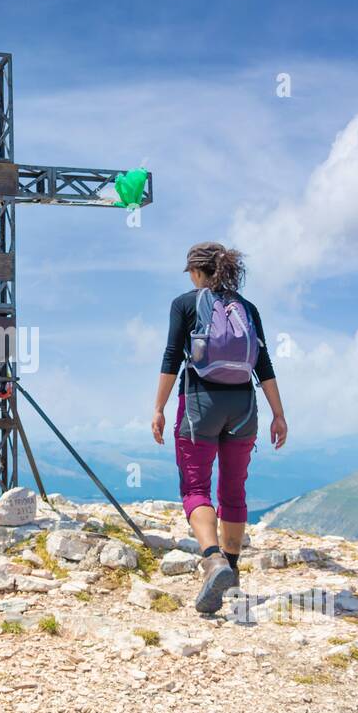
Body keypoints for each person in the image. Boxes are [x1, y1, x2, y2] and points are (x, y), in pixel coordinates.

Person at [151, 242, 288, 614]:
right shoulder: (248, 309)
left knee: (196, 487)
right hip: (244, 408)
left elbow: (170, 358)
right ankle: (233, 568)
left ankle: (213, 560)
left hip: (200, 406)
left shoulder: (185, 304)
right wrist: (278, 413)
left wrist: (159, 408)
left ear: (196, 273)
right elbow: (265, 365)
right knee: (233, 488)